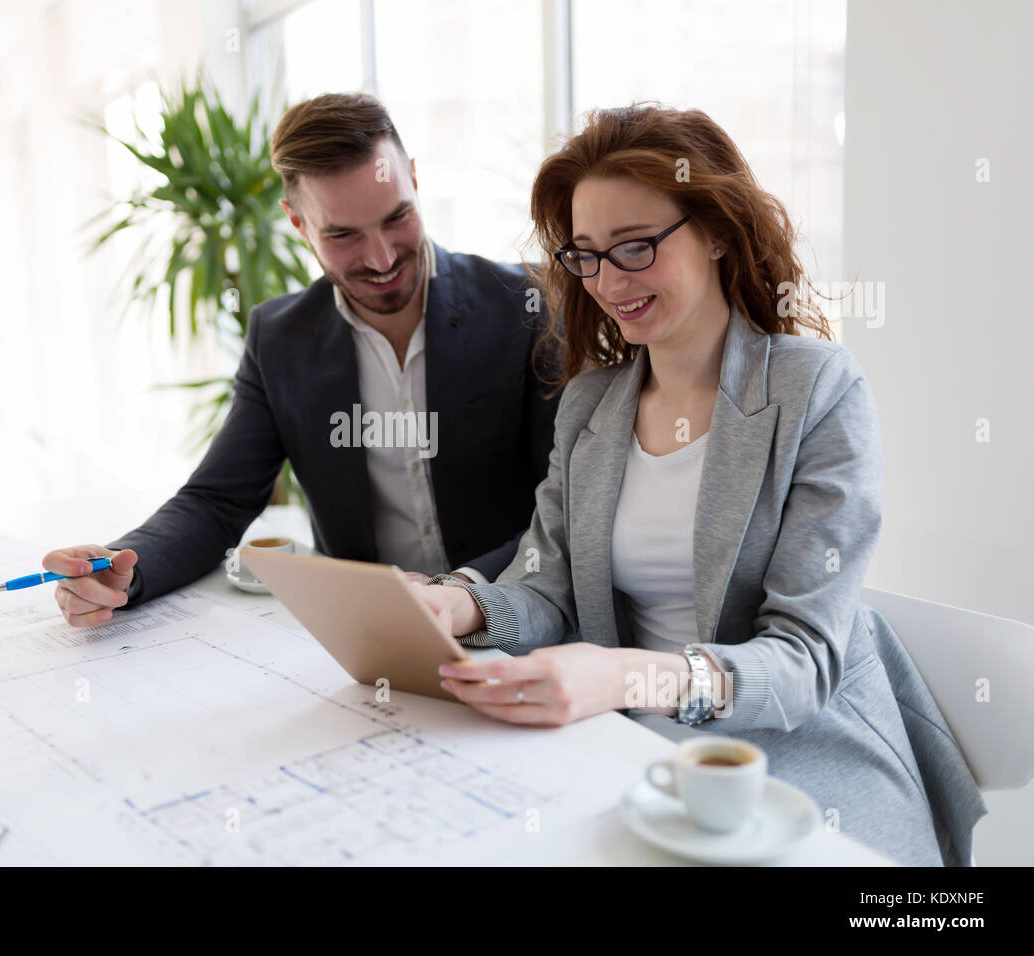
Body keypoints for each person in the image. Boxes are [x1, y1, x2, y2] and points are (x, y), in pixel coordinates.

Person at [415, 103, 986, 866]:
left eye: (637, 246)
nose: (609, 281)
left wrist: (621, 675)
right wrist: (454, 601)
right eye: (586, 254)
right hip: (640, 750)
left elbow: (803, 659)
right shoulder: (590, 404)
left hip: (798, 757)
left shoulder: (817, 390)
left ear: (717, 231)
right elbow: (546, 588)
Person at [41, 92, 559, 627]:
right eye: (342, 235)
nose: (381, 258)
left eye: (397, 217)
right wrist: (123, 567)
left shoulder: (526, 305)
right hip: (367, 638)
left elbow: (565, 503)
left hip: (515, 619)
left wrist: (460, 592)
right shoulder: (279, 338)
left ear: (415, 181)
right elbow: (216, 502)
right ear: (296, 222)